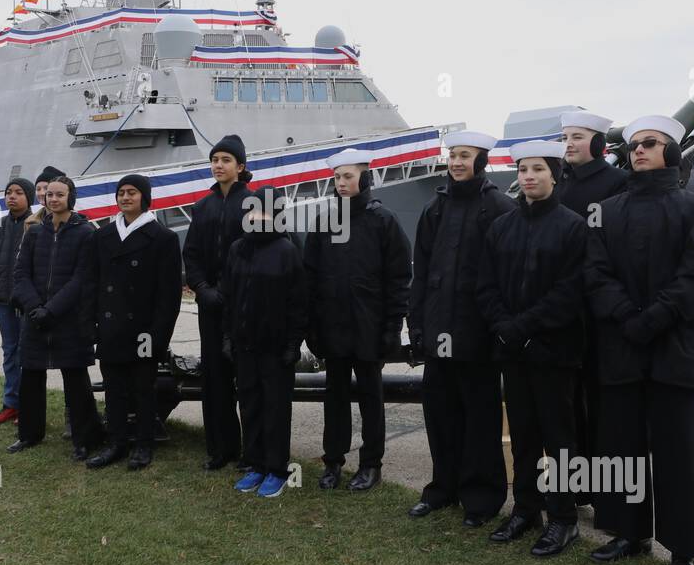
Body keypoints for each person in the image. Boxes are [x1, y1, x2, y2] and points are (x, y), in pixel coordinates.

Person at [585, 115, 694, 565]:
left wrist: (652, 318)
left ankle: (683, 549)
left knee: (676, 454)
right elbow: (596, 273)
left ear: (671, 151)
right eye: (634, 145)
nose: (640, 151)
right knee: (621, 447)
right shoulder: (607, 211)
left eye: (651, 143)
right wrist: (628, 316)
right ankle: (628, 533)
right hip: (624, 347)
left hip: (675, 349)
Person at [478, 140, 588, 555]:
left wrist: (523, 326)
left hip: (554, 351)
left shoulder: (573, 226)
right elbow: (485, 284)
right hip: (513, 350)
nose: (528, 176)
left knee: (559, 438)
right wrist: (504, 327)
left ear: (554, 175)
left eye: (538, 168)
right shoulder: (502, 227)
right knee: (523, 434)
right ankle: (526, 509)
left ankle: (563, 519)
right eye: (523, 168)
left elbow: (570, 291)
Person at [407, 130, 515, 527]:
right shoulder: (434, 210)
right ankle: (442, 489)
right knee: (441, 416)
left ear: (481, 161)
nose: (455, 162)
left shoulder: (500, 208)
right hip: (439, 333)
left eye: (464, 155)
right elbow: (421, 273)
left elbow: (506, 277)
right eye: (452, 155)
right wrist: (416, 324)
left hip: (478, 337)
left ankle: (481, 499)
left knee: (480, 420)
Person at [304, 149, 411, 492]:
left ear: (364, 178)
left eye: (348, 176)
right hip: (333, 329)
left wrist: (392, 328)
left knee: (370, 398)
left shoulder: (384, 222)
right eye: (337, 177)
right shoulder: (323, 223)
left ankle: (371, 465)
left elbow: (399, 279)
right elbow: (310, 279)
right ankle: (332, 462)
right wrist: (313, 329)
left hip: (370, 328)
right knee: (334, 398)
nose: (342, 183)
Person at [84, 175, 182, 471]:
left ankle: (143, 444)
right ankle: (116, 443)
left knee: (142, 388)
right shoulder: (101, 236)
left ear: (144, 197)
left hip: (143, 331)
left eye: (132, 193)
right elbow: (92, 284)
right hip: (111, 328)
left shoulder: (163, 238)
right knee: (114, 389)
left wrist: (157, 336)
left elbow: (169, 296)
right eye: (121, 193)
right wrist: (91, 324)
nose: (125, 197)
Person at [557, 111, 627, 498]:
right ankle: (575, 489)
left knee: (601, 406)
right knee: (567, 406)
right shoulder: (559, 182)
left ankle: (604, 495)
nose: (568, 143)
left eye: (578, 137)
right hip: (563, 310)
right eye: (565, 136)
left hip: (598, 311)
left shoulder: (618, 183)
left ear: (599, 144)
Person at [10, 176, 106, 458]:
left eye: (59, 195)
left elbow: (82, 279)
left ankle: (84, 438)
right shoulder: (35, 233)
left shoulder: (85, 233)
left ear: (70, 197)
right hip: (36, 317)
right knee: (31, 379)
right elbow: (21, 274)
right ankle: (29, 434)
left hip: (68, 319)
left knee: (76, 382)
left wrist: (51, 310)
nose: (53, 199)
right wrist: (34, 307)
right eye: (49, 195)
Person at [221, 187, 307, 499]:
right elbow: (229, 298)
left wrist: (292, 344)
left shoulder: (287, 250)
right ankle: (254, 463)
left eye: (264, 212)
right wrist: (228, 337)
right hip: (245, 345)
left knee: (275, 409)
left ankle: (277, 469)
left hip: (275, 348)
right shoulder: (237, 250)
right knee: (251, 405)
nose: (257, 217)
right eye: (253, 212)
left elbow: (298, 303)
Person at [182, 134, 253, 471]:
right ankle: (220, 448)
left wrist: (227, 289)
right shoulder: (203, 206)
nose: (218, 165)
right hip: (210, 306)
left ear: (240, 166)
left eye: (226, 160)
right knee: (215, 380)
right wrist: (202, 288)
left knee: (247, 379)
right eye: (215, 160)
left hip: (242, 305)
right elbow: (191, 253)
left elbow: (255, 252)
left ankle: (250, 451)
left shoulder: (254, 204)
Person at [0, 178, 35, 425]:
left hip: (27, 303)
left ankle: (29, 404)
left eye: (19, 192)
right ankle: (11, 404)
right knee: (9, 353)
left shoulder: (37, 225)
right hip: (4, 302)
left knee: (27, 354)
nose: (12, 196)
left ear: (29, 197)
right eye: (8, 192)